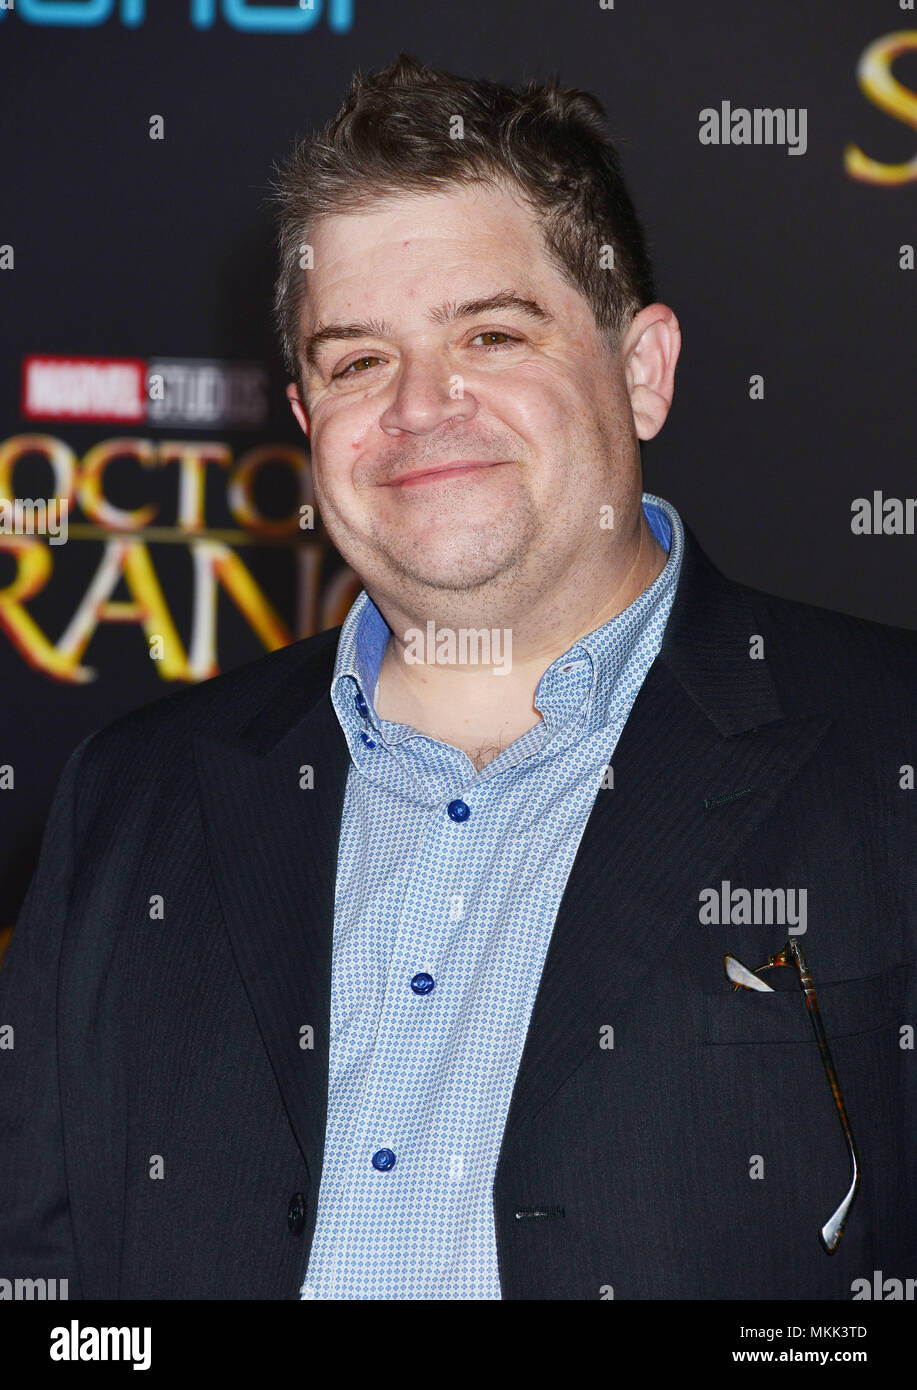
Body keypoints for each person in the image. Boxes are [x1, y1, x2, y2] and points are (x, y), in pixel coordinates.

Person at [1, 54, 914, 1301]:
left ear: (641, 370)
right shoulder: (129, 799)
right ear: (305, 415)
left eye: (490, 333)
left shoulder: (886, 753)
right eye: (357, 360)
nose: (422, 405)